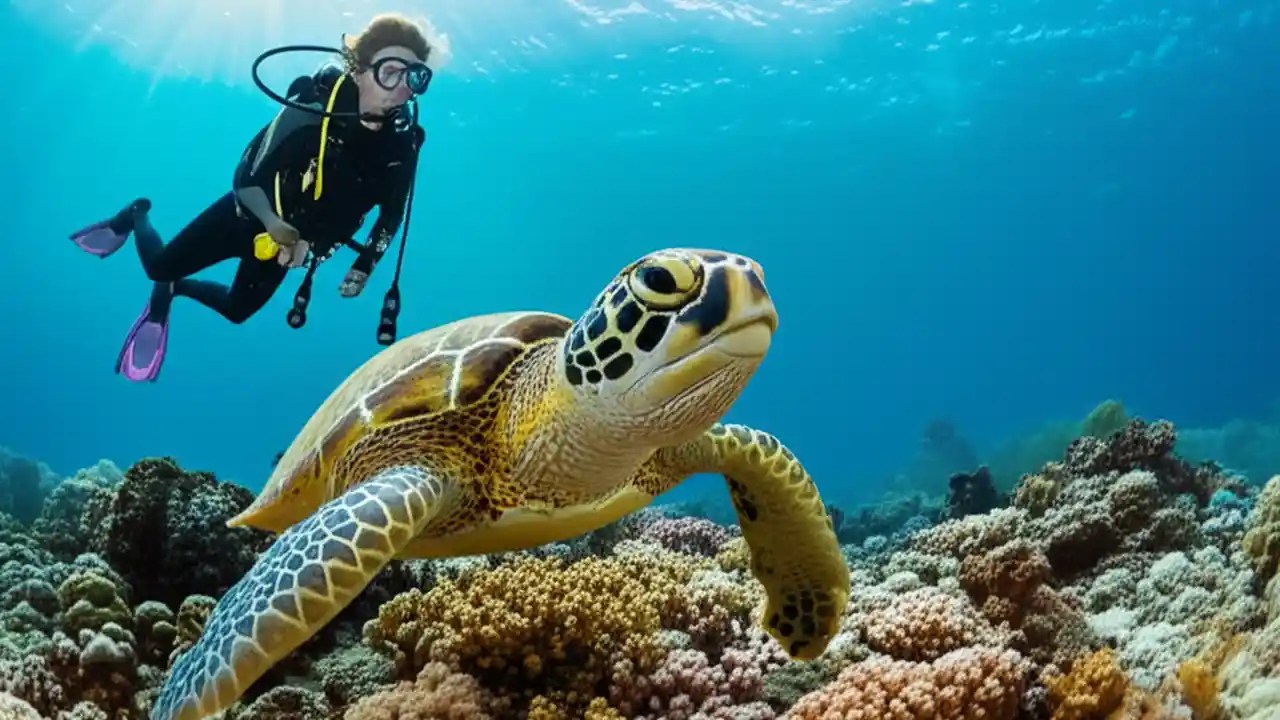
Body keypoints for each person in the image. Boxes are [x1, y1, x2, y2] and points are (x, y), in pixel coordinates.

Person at [68, 12, 445, 382]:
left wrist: (364, 265)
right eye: (389, 72)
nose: (401, 88)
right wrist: (273, 223)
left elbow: (392, 215)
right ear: (360, 69)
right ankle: (135, 215)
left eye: (414, 77)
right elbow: (246, 178)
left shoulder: (402, 145)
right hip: (246, 214)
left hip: (291, 243)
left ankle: (175, 289)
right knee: (158, 267)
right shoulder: (312, 111)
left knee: (236, 310)